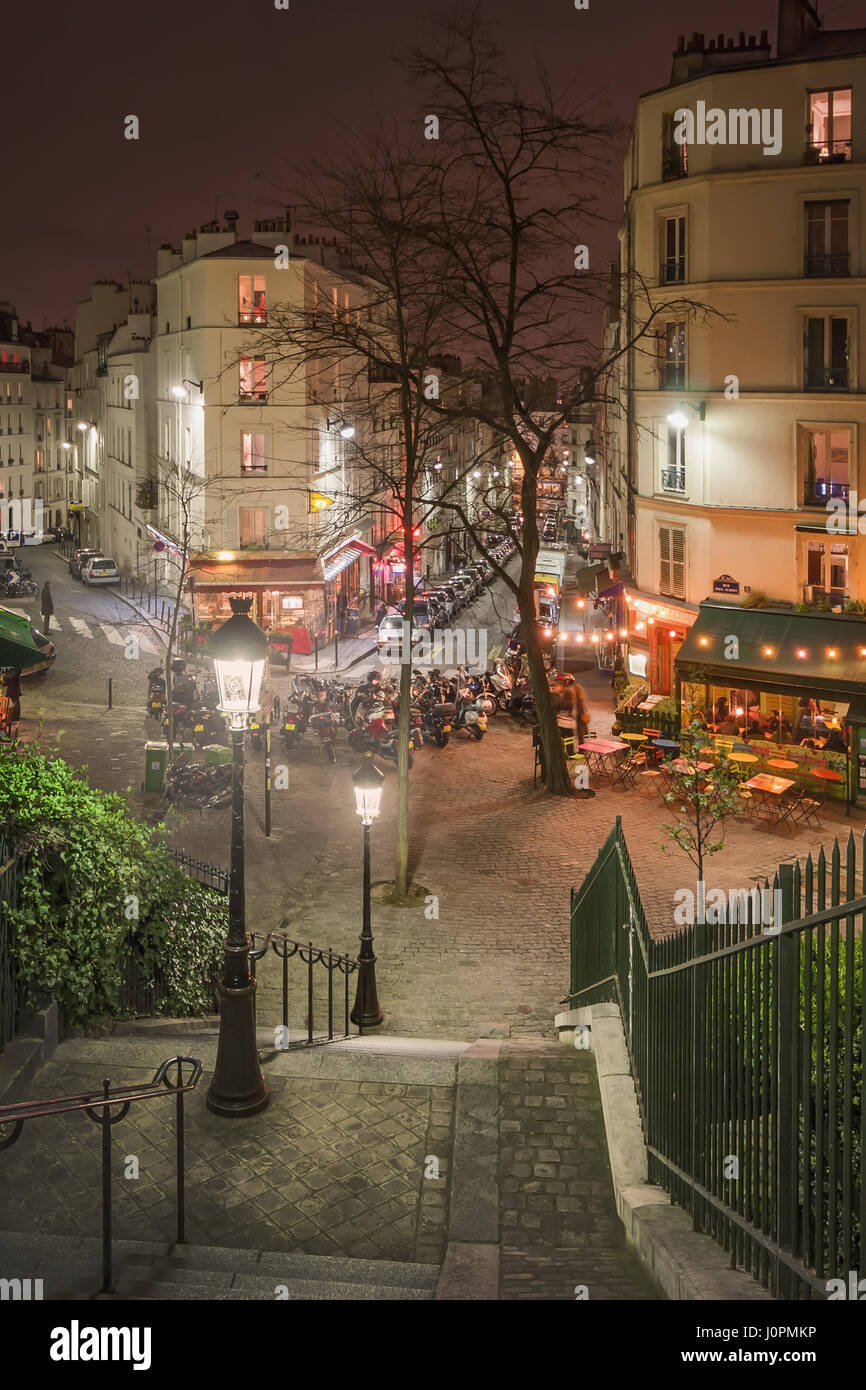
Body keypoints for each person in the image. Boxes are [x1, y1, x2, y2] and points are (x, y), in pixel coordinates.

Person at [1, 668, 21, 734]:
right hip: (12, 689)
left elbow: (11, 678)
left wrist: (4, 678)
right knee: (15, 702)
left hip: (14, 689)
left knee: (16, 702)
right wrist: (2, 680)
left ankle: (16, 717)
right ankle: (15, 716)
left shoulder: (15, 671)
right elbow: (4, 684)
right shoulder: (12, 671)